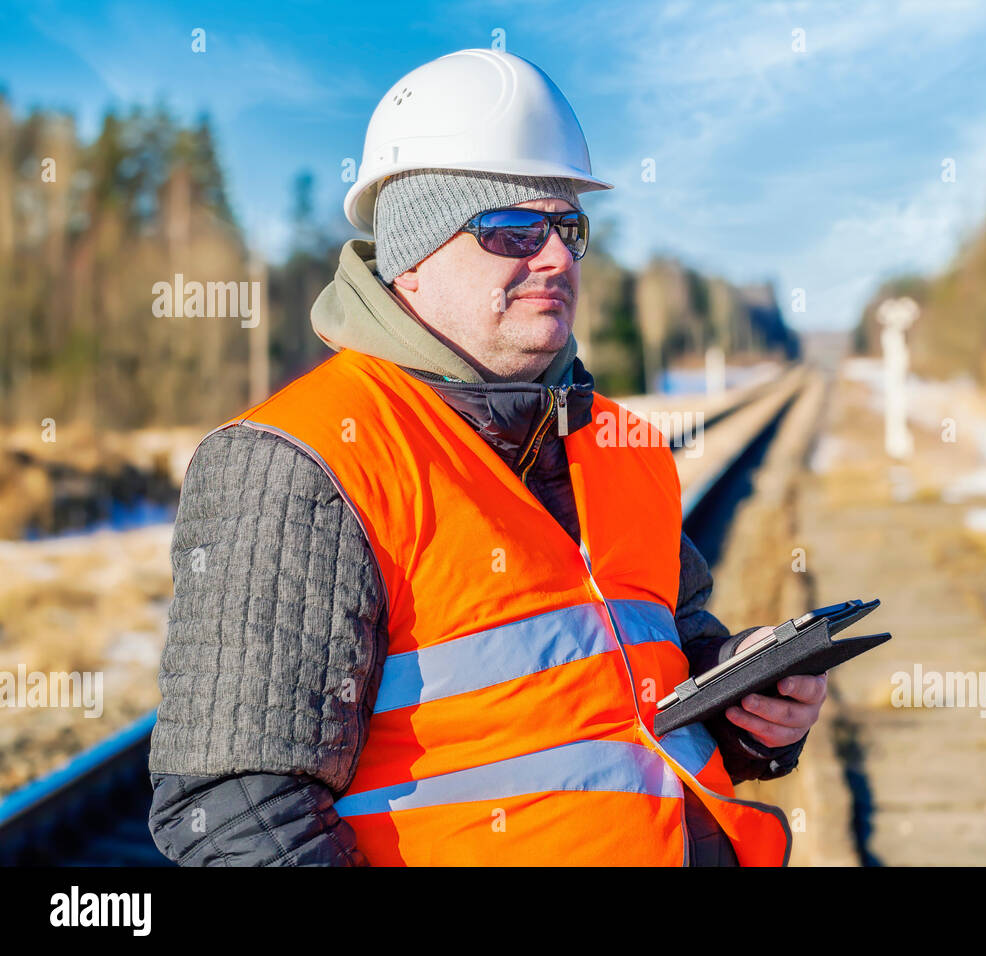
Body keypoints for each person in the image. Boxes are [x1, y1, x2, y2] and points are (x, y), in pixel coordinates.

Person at [146, 48, 827, 867]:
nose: (558, 258)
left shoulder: (621, 443)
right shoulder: (303, 462)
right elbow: (235, 814)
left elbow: (642, 682)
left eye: (569, 227)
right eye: (512, 230)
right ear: (412, 259)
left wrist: (745, 701)